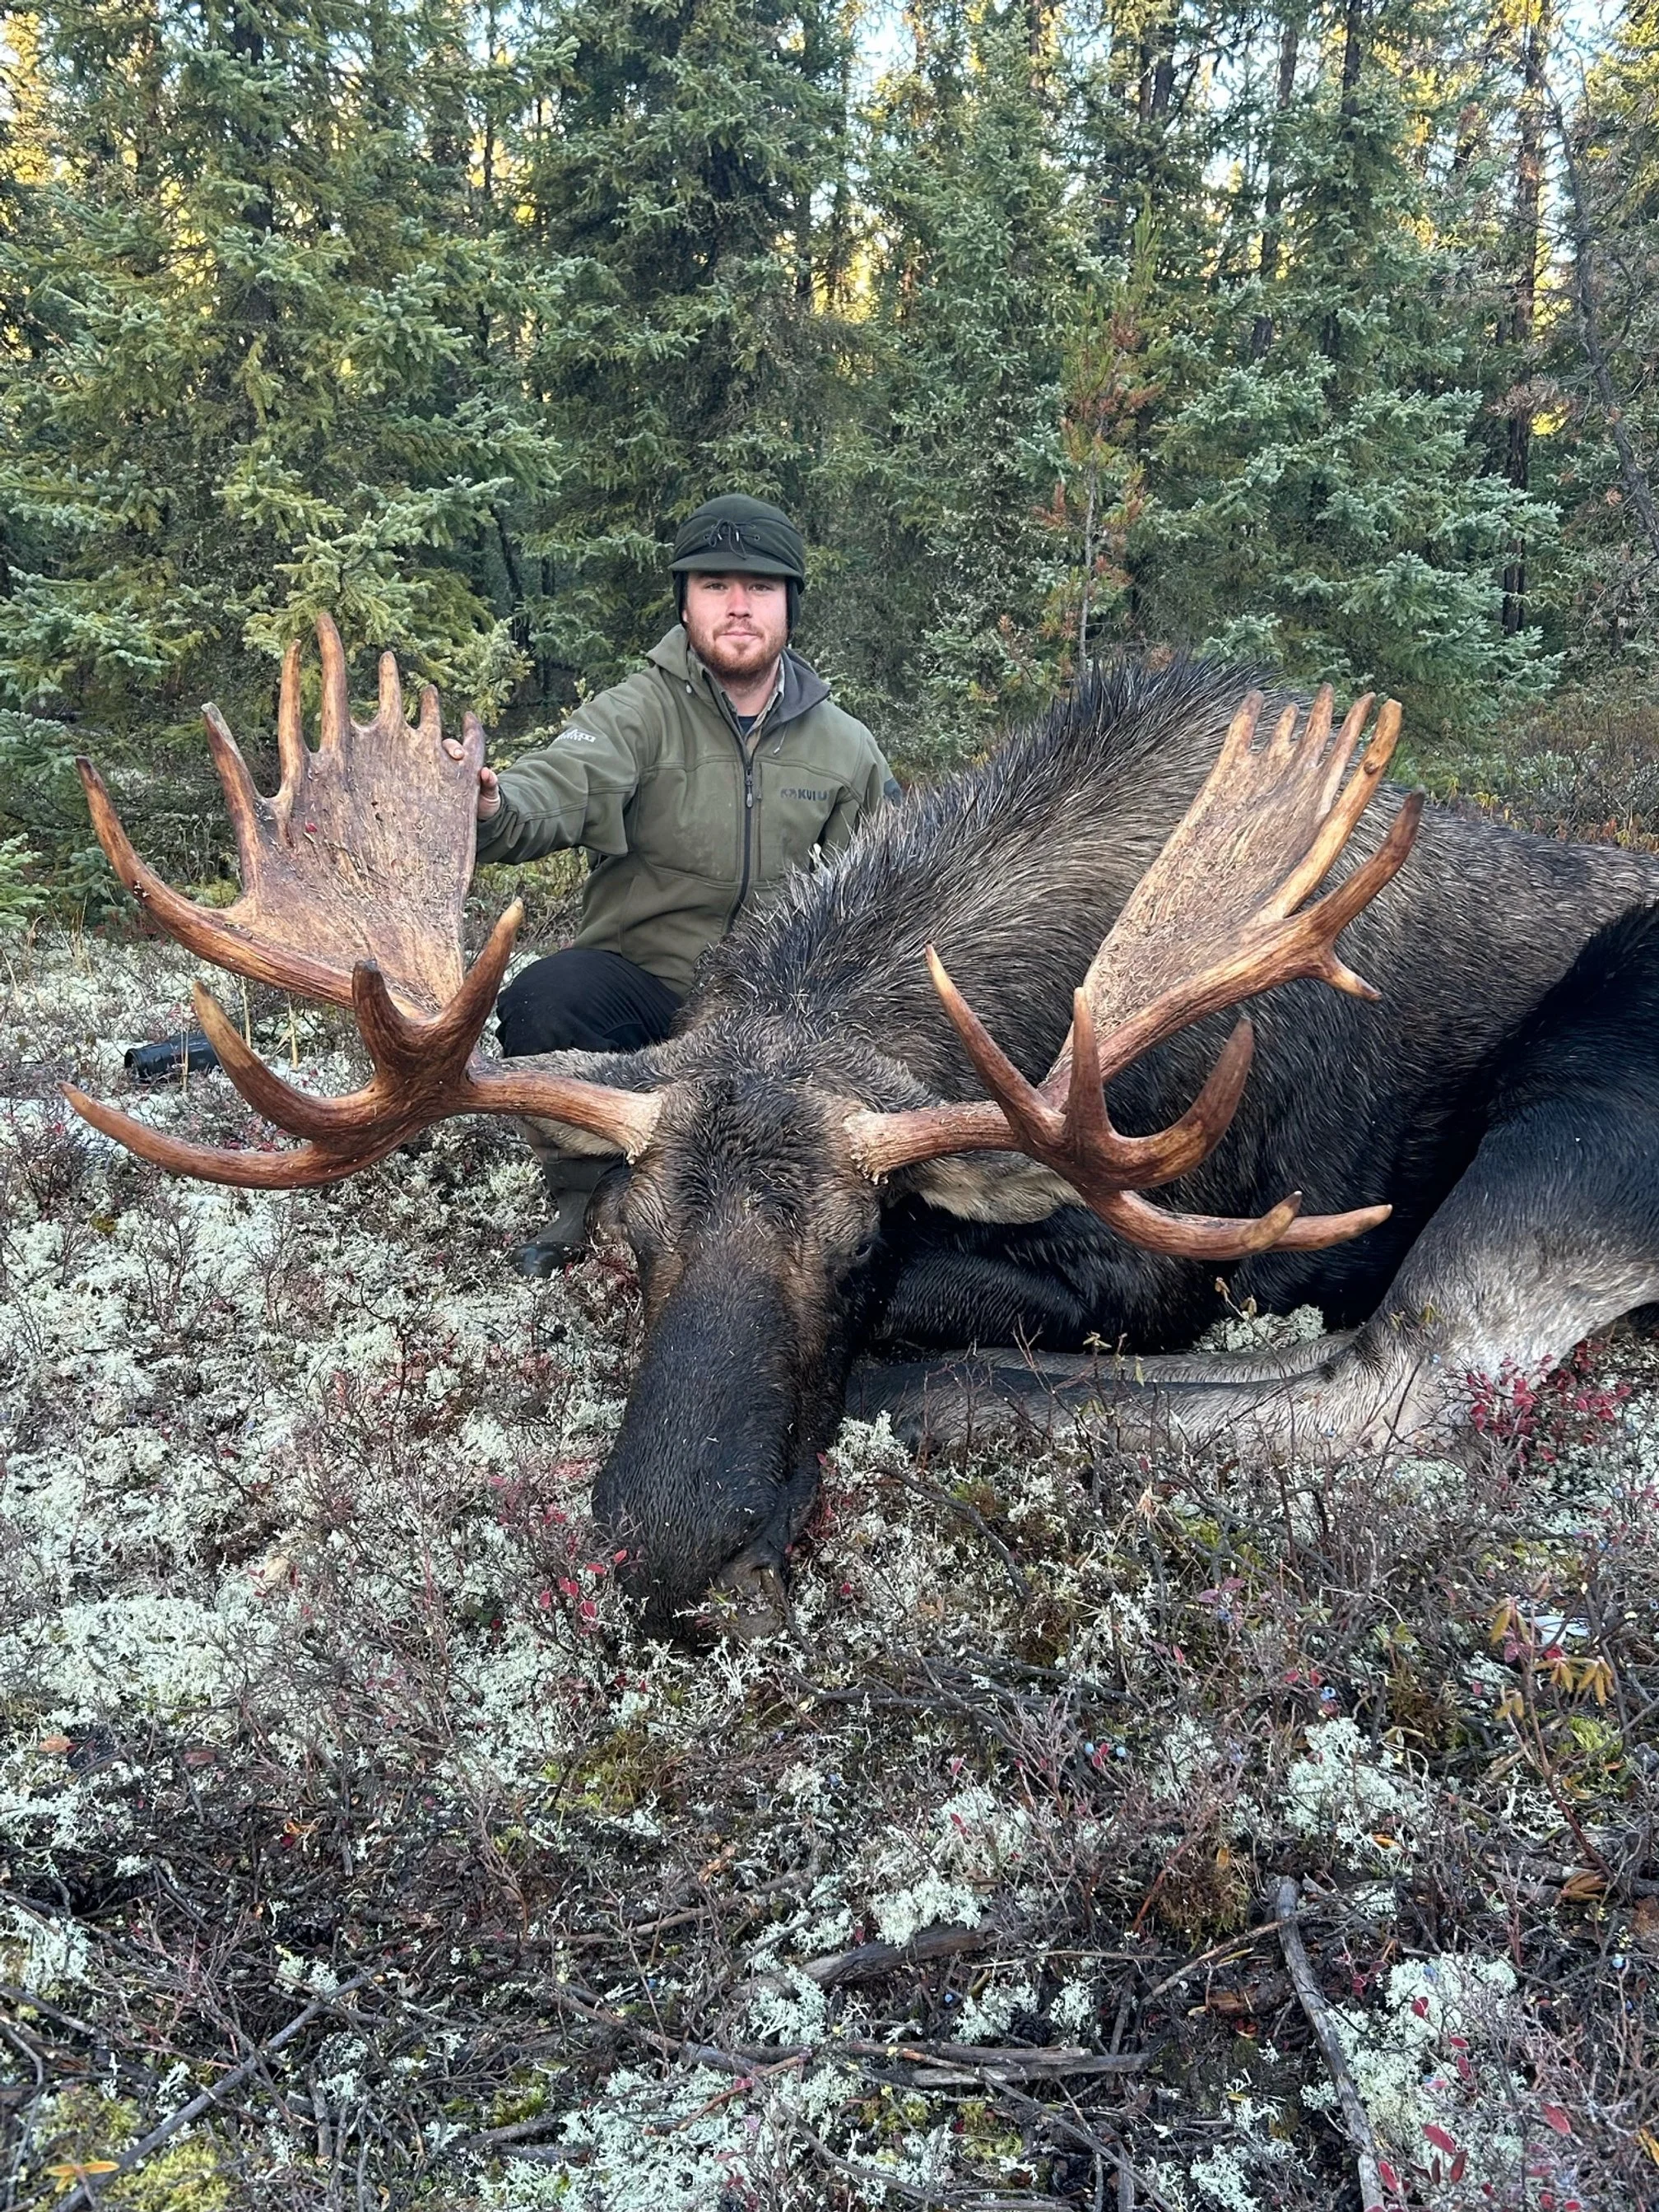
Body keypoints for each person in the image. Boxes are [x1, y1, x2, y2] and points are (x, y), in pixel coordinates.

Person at [448, 493, 899, 1267]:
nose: (738, 605)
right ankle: (586, 1203)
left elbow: (892, 885)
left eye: (760, 587)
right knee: (547, 998)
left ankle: (787, 1228)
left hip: (776, 1018)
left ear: (789, 606)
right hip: (649, 995)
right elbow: (554, 789)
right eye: (714, 585)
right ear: (685, 604)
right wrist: (492, 805)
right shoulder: (636, 716)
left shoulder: (845, 748)